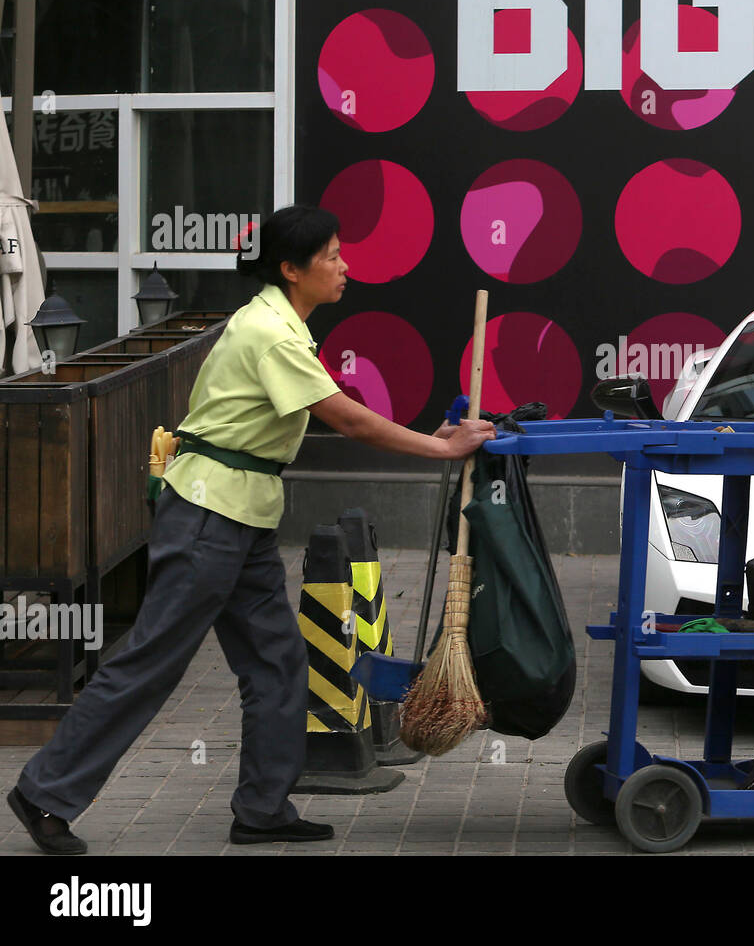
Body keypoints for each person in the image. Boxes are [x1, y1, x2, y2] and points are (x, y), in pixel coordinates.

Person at [7, 205, 495, 854]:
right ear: (292, 270)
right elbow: (345, 418)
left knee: (278, 664)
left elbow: (338, 413)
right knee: (152, 661)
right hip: (210, 515)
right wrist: (441, 450)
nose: (344, 266)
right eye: (330, 256)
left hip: (243, 518)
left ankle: (262, 808)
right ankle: (43, 791)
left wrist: (432, 440)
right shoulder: (270, 331)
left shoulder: (280, 324)